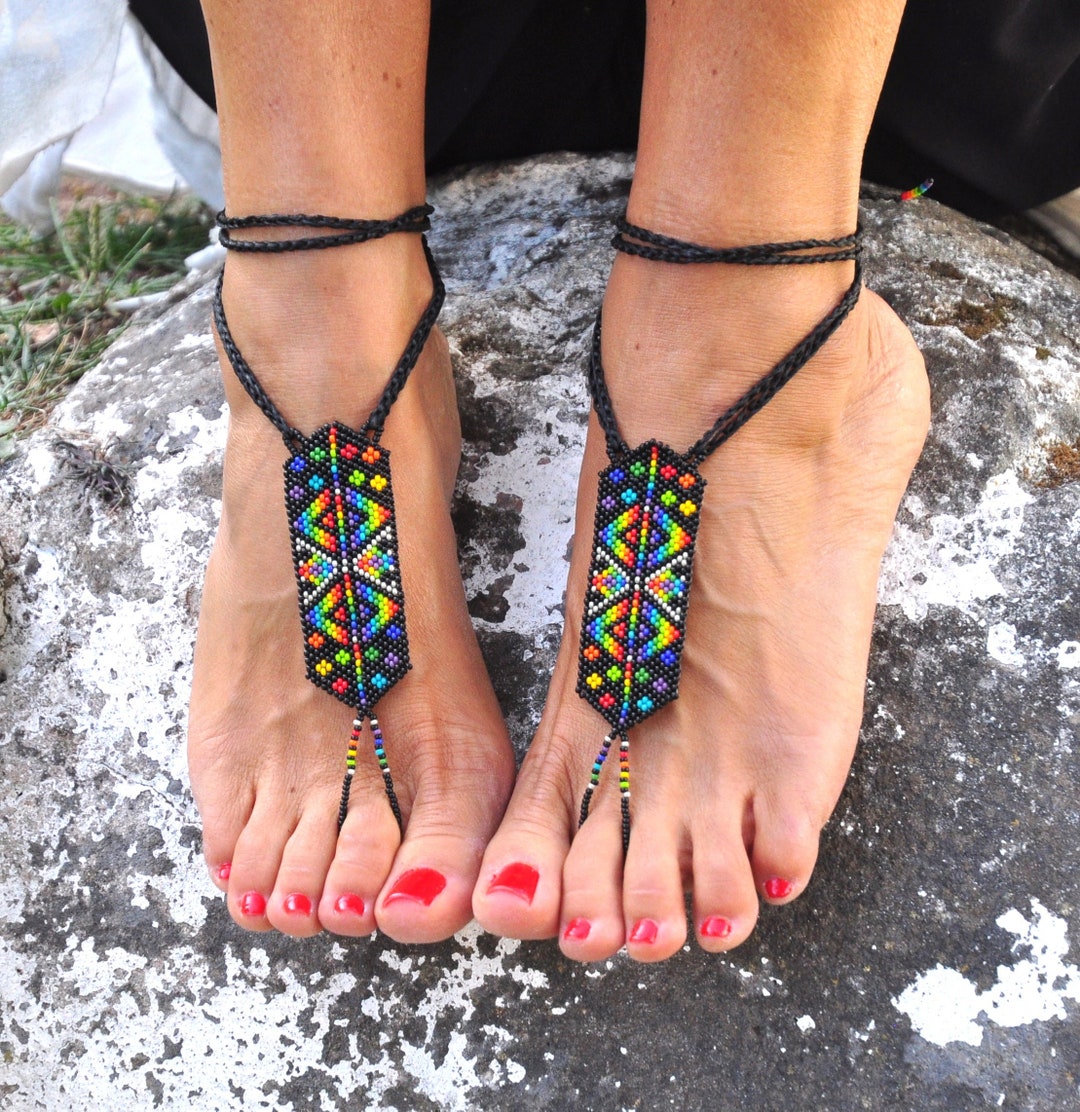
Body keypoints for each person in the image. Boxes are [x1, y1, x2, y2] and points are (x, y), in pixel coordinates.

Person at [172, 0, 1075, 963]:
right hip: (405, 71)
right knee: (321, 263)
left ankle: (754, 322)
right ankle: (318, 312)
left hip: (880, 75)